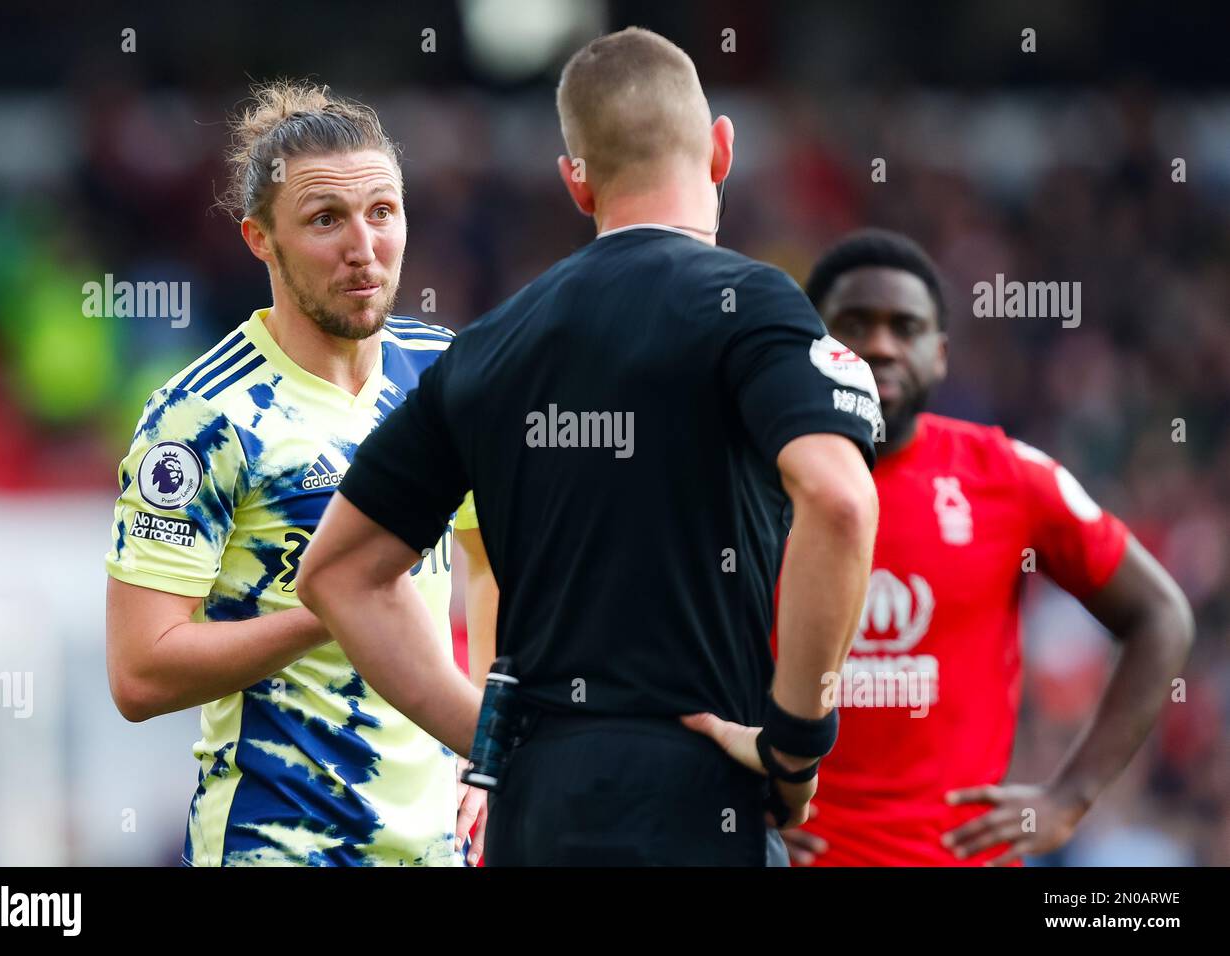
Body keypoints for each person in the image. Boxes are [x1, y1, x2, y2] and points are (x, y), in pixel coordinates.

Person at [296, 28, 880, 866]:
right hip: (702, 801)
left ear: (576, 183)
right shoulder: (752, 303)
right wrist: (796, 738)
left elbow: (336, 574)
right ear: (721, 149)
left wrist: (496, 743)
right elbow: (842, 498)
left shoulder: (489, 346)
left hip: (540, 819)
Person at [104, 81, 494, 866]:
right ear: (260, 240)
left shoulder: (447, 373)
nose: (364, 245)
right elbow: (140, 672)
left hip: (437, 847)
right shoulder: (202, 418)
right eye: (326, 220)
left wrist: (481, 749)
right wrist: (340, 605)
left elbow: (490, 569)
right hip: (276, 843)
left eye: (382, 212)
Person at [752, 228, 1194, 866]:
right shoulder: (750, 478)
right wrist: (733, 809)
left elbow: (1162, 615)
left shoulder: (1008, 477)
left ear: (940, 354)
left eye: (905, 328)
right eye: (853, 324)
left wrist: (1070, 797)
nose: (879, 345)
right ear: (813, 346)